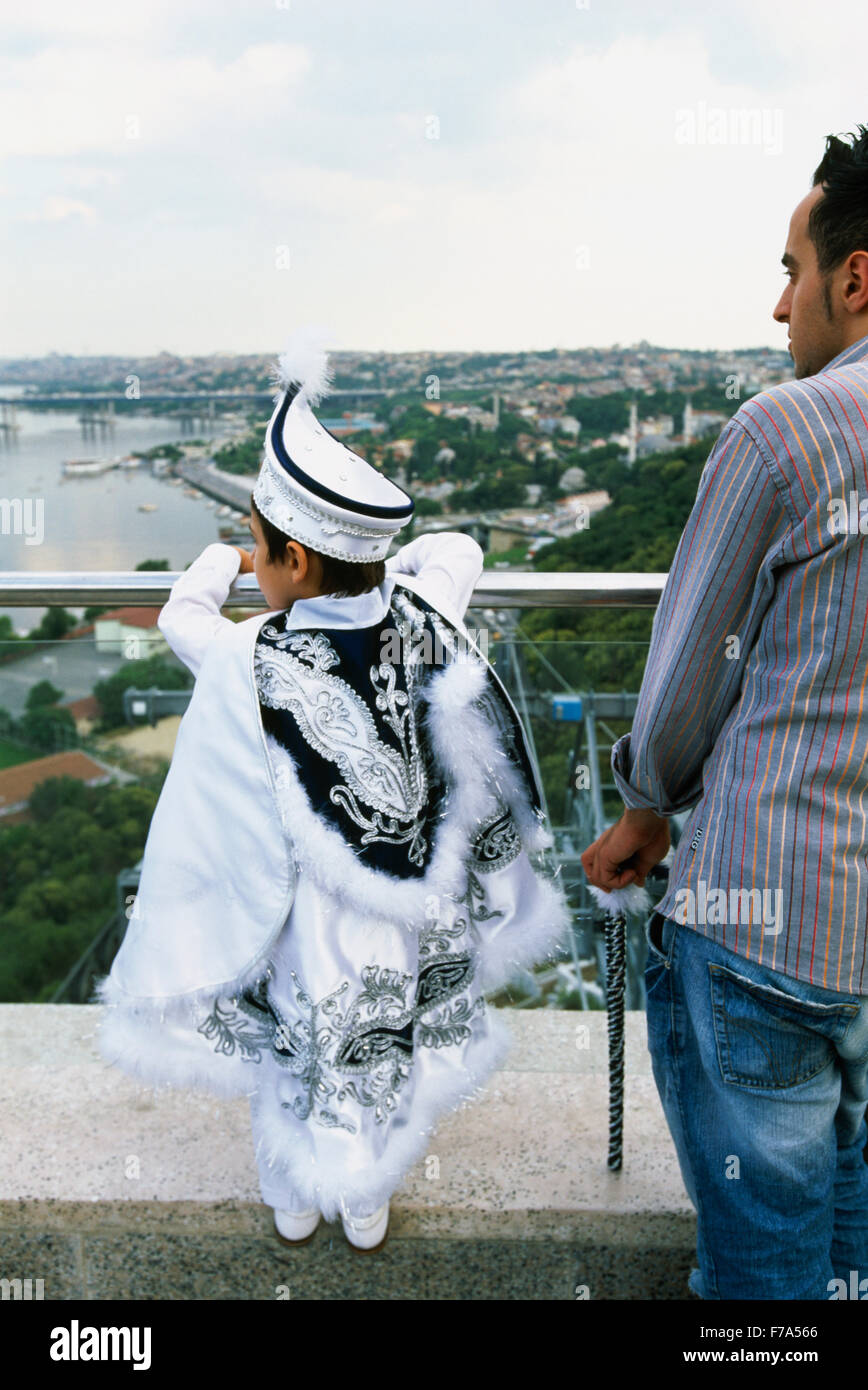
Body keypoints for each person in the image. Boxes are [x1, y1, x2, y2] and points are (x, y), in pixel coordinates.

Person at [95, 331, 570, 1254]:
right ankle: (366, 1203)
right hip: (403, 904)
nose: (253, 559)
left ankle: (293, 1199)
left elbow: (181, 618)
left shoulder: (249, 656)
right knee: (381, 1040)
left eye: (260, 547)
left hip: (297, 909)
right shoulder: (426, 621)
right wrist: (385, 567)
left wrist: (214, 566)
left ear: (294, 565)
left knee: (296, 1045)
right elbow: (457, 550)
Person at [581, 125, 868, 1300]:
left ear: (857, 277)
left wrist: (645, 801)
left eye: (790, 270)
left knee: (762, 1279)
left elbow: (689, 669)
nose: (776, 305)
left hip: (769, 921)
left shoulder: (788, 431)